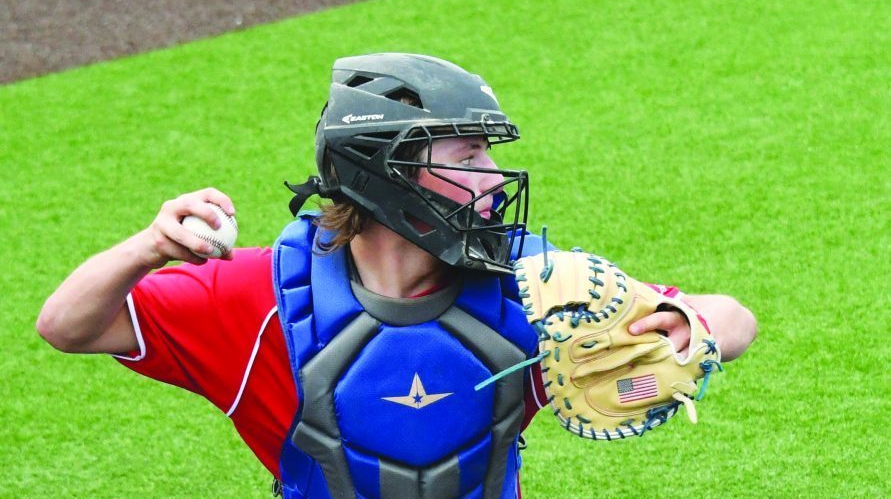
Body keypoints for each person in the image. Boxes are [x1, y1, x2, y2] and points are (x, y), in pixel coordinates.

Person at [37, 53, 757, 499]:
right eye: (468, 156)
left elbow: (734, 319)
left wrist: (684, 331)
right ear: (385, 169)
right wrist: (146, 248)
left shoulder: (533, 286)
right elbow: (66, 325)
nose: (494, 178)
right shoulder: (255, 300)